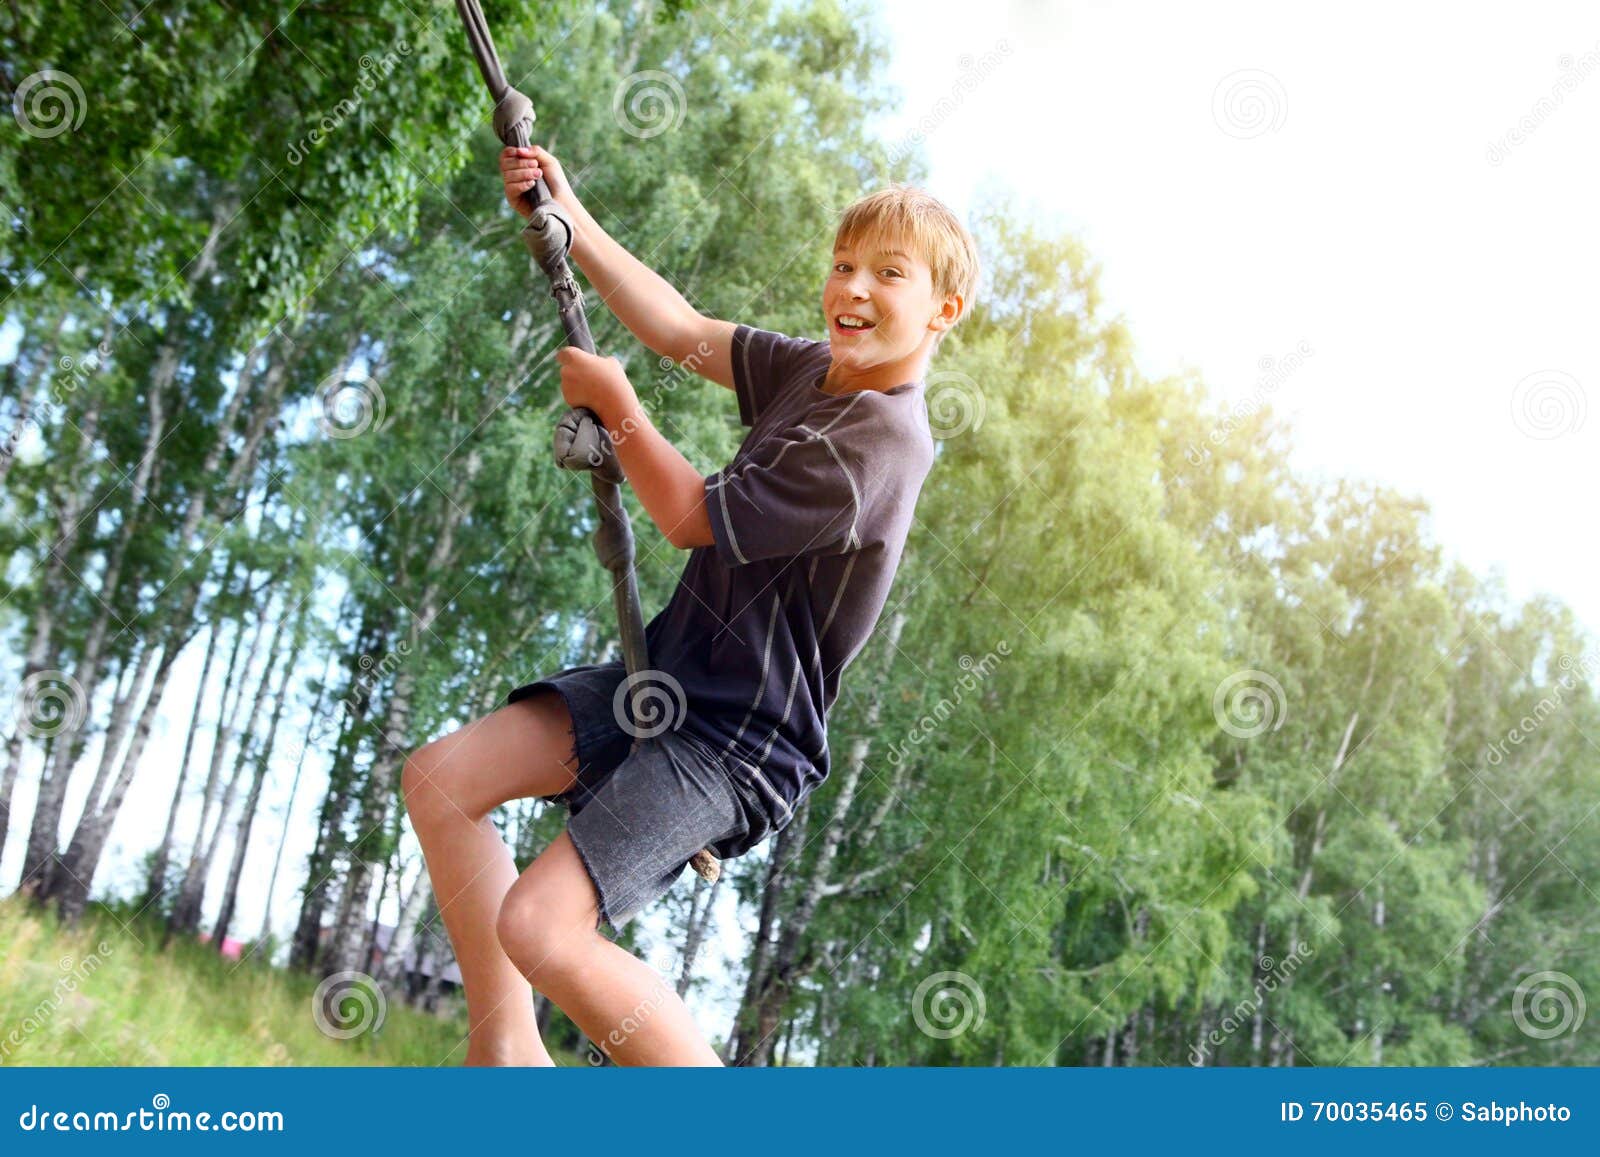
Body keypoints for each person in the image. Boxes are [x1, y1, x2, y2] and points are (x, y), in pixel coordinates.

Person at [400, 142, 978, 1066]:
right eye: (842, 264)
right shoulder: (813, 375)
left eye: (888, 274)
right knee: (439, 780)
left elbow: (687, 515)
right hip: (665, 681)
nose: (852, 287)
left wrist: (622, 408)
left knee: (543, 929)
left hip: (735, 741)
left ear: (943, 310)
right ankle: (505, 1055)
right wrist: (565, 214)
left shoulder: (878, 443)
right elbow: (678, 327)